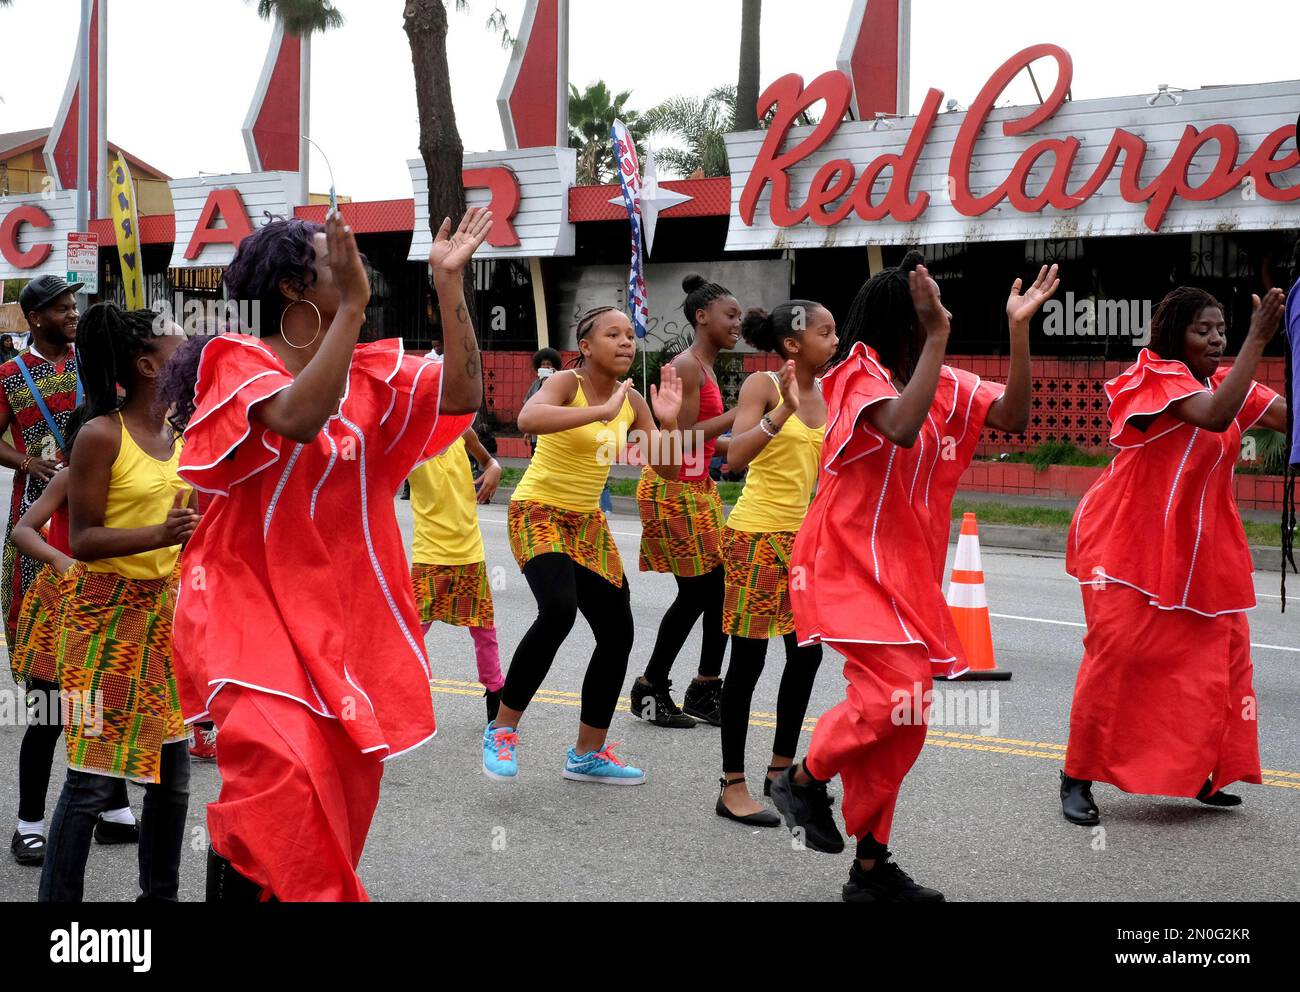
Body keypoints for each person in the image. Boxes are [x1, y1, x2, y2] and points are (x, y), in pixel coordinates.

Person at [161, 208, 489, 902]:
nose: (357, 267)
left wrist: (448, 284)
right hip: (244, 606)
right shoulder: (238, 361)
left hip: (345, 619)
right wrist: (353, 314)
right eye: (334, 257)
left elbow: (463, 394)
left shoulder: (373, 379)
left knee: (335, 791)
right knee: (282, 774)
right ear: (290, 286)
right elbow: (297, 420)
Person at [773, 254, 1057, 902]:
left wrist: (1018, 331)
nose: (940, 321)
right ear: (905, 319)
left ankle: (870, 868)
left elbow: (1012, 416)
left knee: (909, 716)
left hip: (908, 574)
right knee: (894, 695)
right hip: (844, 563)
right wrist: (936, 339)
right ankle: (803, 779)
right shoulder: (853, 376)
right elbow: (899, 426)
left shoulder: (945, 381)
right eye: (928, 316)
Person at [1060, 287, 1287, 825]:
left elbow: (1287, 416)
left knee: (1218, 665)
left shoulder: (1224, 383)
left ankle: (1202, 773)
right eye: (1202, 330)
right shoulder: (1153, 377)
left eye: (1221, 330)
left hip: (1203, 549)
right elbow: (1212, 416)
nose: (1215, 339)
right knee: (1117, 657)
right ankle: (1076, 775)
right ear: (1174, 334)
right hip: (1127, 541)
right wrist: (1258, 340)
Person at [38, 303, 195, 902]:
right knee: (92, 781)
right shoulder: (101, 434)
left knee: (174, 777)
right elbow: (83, 539)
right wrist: (160, 535)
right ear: (148, 365)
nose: (192, 357)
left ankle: (158, 898)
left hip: (162, 618)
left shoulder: (177, 435)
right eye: (181, 350)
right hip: (102, 618)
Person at [489, 306, 682, 784]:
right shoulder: (566, 385)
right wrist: (600, 411)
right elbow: (527, 418)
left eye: (629, 336)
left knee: (617, 632)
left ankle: (587, 753)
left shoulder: (633, 400)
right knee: (558, 609)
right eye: (611, 334)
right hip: (538, 510)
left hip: (586, 522)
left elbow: (669, 469)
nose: (625, 342)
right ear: (587, 346)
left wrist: (669, 423)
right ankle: (502, 730)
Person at [714, 300, 834, 827]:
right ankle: (731, 786)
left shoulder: (832, 395)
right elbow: (735, 457)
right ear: (793, 344)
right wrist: (782, 409)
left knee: (806, 657)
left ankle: (780, 772)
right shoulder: (764, 385)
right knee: (748, 663)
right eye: (825, 332)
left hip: (804, 542)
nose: (835, 340)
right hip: (755, 536)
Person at [9, 449, 138, 867]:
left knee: (101, 708)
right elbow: (23, 531)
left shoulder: (143, 477)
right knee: (48, 717)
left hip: (111, 608)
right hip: (60, 607)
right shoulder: (72, 476)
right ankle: (29, 825)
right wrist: (60, 560)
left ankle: (114, 812)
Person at [630, 274, 740, 728]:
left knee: (715, 594)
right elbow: (682, 440)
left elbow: (710, 447)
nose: (736, 323)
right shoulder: (686, 366)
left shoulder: (706, 366)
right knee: (700, 593)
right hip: (672, 488)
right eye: (729, 315)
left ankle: (704, 689)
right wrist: (740, 414)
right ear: (702, 316)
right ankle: (651, 688)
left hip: (698, 489)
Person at [0, 275, 84, 655]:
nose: (74, 313)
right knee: (36, 603)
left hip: (93, 502)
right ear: (35, 318)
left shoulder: (91, 362)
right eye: (62, 308)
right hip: (36, 511)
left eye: (74, 306)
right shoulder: (9, 375)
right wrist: (27, 461)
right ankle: (43, 696)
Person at [409, 423, 504, 721]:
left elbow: (488, 461)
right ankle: (403, 694)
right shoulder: (410, 440)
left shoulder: (461, 430)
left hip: (469, 552)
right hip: (430, 555)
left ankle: (495, 694)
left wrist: (494, 466)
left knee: (484, 631)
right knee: (411, 633)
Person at [523, 347, 562, 455]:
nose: (545, 366)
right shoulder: (535, 384)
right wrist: (528, 430)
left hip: (552, 433)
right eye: (543, 364)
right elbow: (529, 407)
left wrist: (555, 376)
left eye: (548, 364)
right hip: (536, 432)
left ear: (553, 366)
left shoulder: (559, 382)